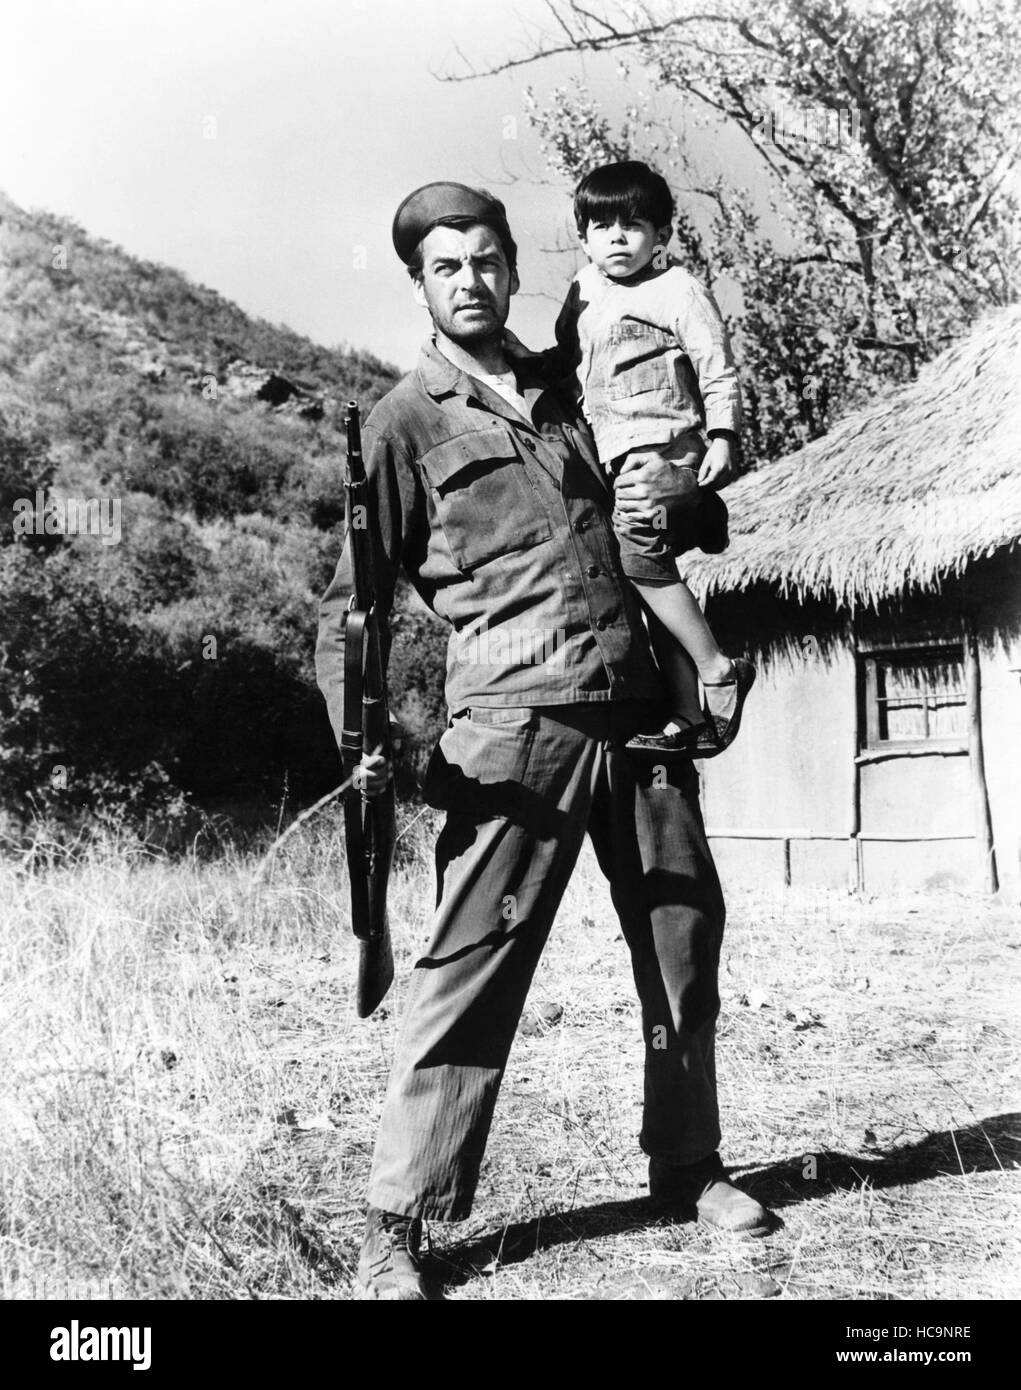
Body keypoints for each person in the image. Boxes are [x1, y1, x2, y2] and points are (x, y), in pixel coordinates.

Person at [315, 181, 771, 1302]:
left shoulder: (577, 391)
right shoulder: (400, 423)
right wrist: (368, 743)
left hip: (638, 713)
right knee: (470, 967)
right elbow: (351, 614)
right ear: (420, 285)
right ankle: (398, 1222)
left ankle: (688, 1163)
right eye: (445, 267)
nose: (470, 281)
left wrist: (690, 499)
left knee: (682, 942)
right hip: (511, 731)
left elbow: (656, 522)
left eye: (485, 259)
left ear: (515, 267)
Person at [547, 160, 754, 756]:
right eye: (602, 225)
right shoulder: (583, 291)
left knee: (641, 562)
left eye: (634, 225)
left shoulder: (676, 289)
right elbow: (565, 362)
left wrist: (723, 438)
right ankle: (689, 715)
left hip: (664, 448)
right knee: (646, 583)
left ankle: (719, 669)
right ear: (583, 235)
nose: (617, 237)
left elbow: (716, 366)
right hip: (610, 457)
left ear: (660, 236)